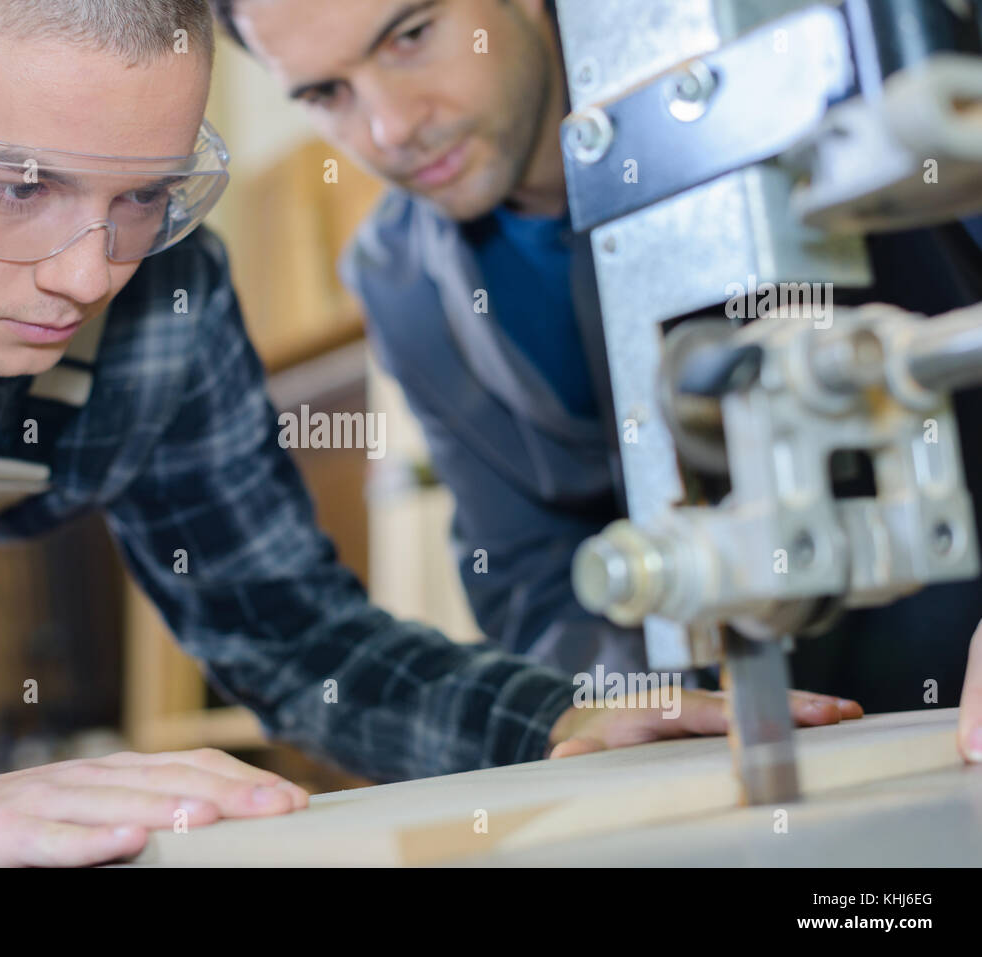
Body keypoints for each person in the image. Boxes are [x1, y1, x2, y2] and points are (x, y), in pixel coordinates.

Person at [0, 0, 858, 868]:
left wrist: (548, 722)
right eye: (20, 185)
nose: (88, 273)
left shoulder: (163, 298)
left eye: (141, 194)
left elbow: (289, 633)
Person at [208, 0, 982, 758]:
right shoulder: (398, 282)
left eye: (411, 36)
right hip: (770, 741)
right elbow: (528, 572)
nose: (389, 128)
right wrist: (612, 712)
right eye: (324, 94)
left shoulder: (808, 55)